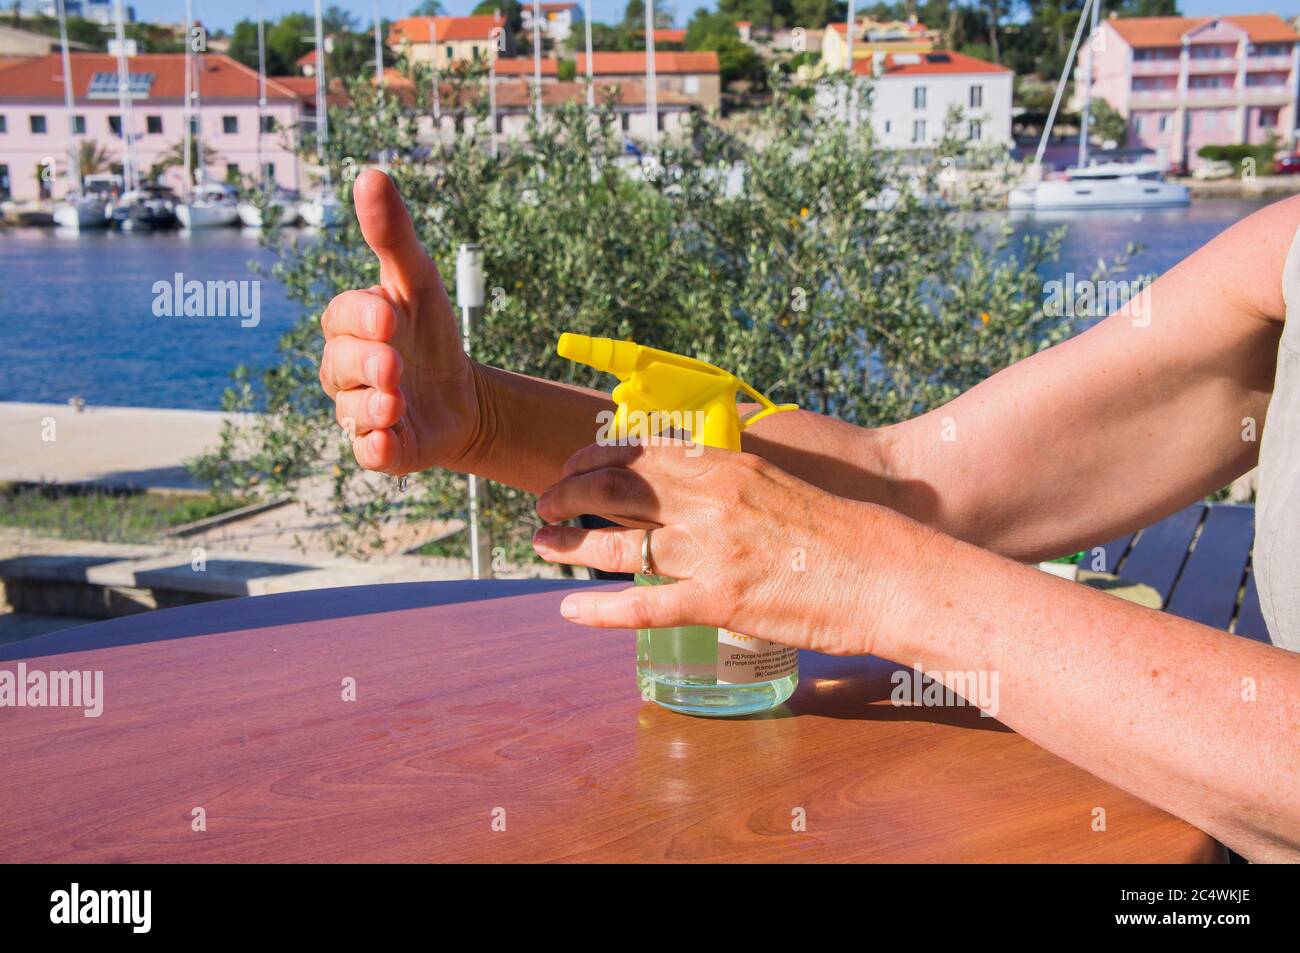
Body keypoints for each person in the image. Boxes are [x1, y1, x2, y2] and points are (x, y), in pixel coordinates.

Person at [319, 170, 1299, 861]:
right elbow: (912, 477)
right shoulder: (1279, 256)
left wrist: (875, 578)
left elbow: (881, 531)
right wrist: (486, 418)